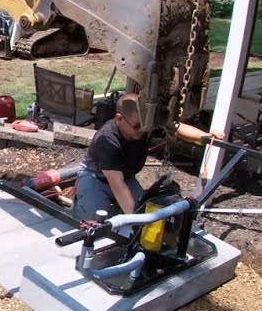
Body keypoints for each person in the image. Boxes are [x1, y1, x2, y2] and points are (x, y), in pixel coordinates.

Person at [71, 93, 221, 223]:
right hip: (96, 179)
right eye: (137, 126)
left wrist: (204, 137)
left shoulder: (144, 126)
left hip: (126, 178)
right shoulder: (107, 140)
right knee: (93, 223)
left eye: (144, 126)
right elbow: (118, 186)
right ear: (119, 118)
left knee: (148, 211)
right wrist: (135, 221)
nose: (142, 131)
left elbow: (176, 127)